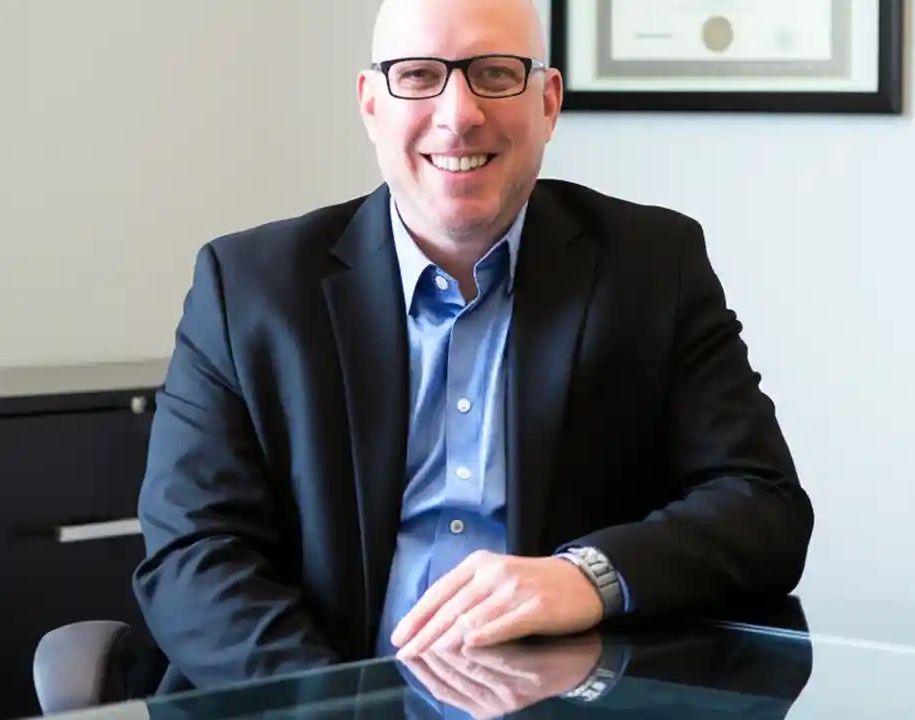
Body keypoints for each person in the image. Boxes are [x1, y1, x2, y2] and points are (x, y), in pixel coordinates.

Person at [132, 0, 813, 695]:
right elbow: (194, 553)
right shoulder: (248, 287)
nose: (458, 114)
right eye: (420, 75)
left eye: (494, 73)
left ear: (548, 102)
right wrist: (338, 708)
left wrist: (588, 576)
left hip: (567, 705)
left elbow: (763, 507)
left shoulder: (651, 267)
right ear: (371, 105)